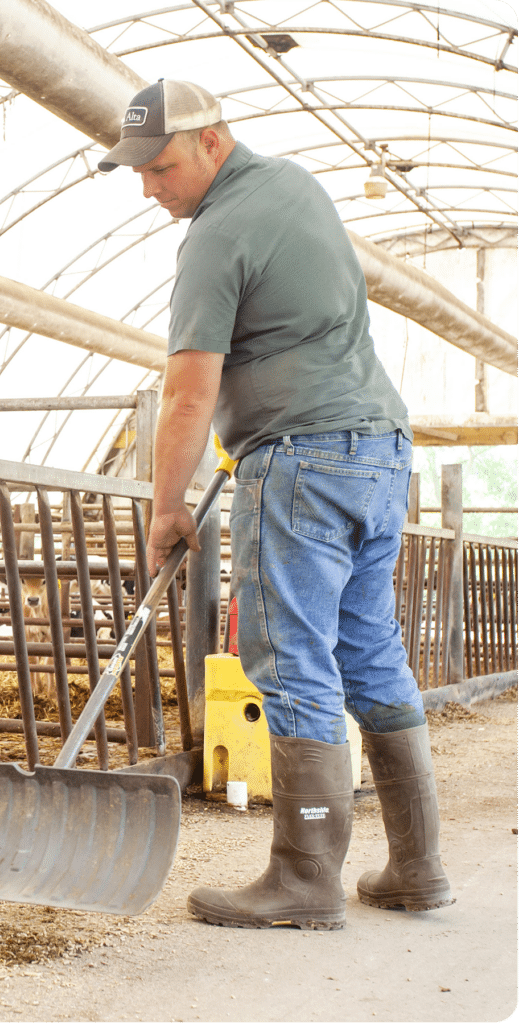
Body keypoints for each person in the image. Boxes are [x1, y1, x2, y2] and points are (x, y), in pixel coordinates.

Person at [98, 79, 454, 930]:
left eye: (162, 165)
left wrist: (165, 507)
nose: (150, 186)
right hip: (377, 450)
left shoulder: (216, 232)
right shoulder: (295, 185)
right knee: (366, 651)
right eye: (138, 172)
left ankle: (303, 881)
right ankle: (417, 867)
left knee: (290, 656)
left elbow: (187, 391)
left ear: (211, 142)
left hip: (299, 457)